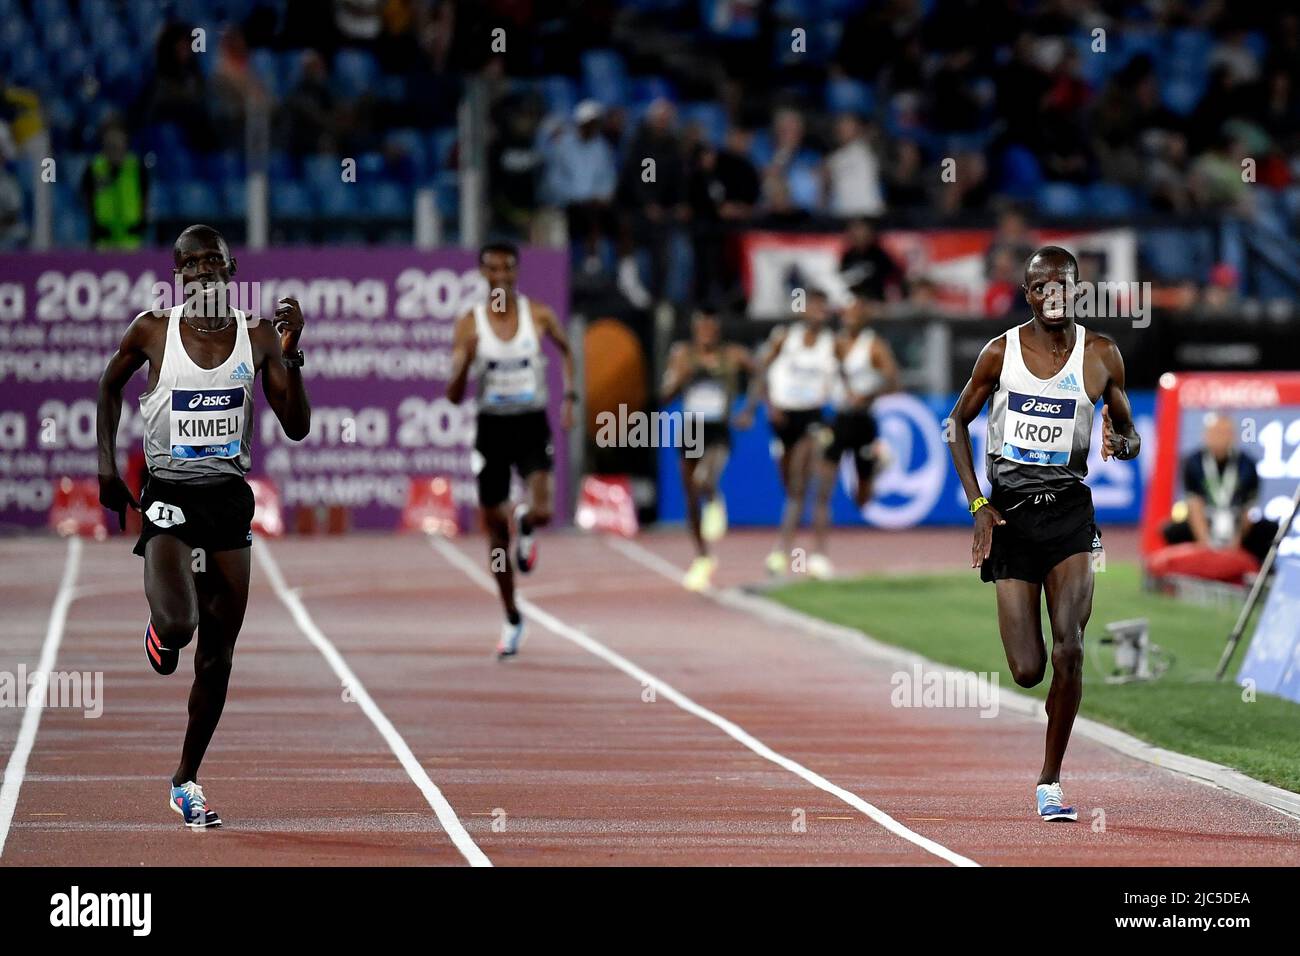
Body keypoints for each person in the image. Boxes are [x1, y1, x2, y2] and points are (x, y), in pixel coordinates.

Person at [96, 224, 311, 828]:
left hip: (227, 504)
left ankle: (185, 780)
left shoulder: (259, 337)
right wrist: (106, 469)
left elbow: (295, 425)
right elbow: (108, 388)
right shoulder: (152, 330)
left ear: (231, 267)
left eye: (210, 261)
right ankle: (161, 630)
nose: (200, 272)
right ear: (178, 277)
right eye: (187, 265)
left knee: (217, 657)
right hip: (167, 494)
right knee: (178, 626)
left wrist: (291, 355)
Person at [946, 246, 1141, 823]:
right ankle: (1042, 718)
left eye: (1062, 286)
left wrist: (1120, 441)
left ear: (1078, 291)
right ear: (1027, 294)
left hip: (1069, 517)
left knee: (1071, 648)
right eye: (1039, 287)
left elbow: (1130, 438)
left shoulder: (1102, 355)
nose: (1050, 296)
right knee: (1029, 669)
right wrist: (978, 503)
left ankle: (1050, 780)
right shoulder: (999, 353)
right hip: (1009, 516)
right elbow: (955, 422)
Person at [447, 241, 575, 659]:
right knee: (495, 535)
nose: (500, 276)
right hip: (492, 431)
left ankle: (527, 522)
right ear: (483, 275)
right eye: (492, 269)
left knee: (540, 509)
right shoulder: (470, 324)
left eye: (507, 269)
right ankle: (512, 616)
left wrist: (570, 396)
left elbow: (568, 349)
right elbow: (451, 396)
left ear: (517, 272)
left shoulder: (538, 315)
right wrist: (465, 365)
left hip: (531, 422)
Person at [660, 307, 757, 591]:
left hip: (718, 429)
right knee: (690, 497)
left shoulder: (733, 355)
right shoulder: (682, 355)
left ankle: (715, 500)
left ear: (718, 330)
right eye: (701, 328)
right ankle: (703, 557)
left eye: (711, 328)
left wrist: (749, 410)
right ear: (694, 329)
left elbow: (760, 372)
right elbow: (664, 396)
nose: (706, 334)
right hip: (691, 429)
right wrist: (679, 379)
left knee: (706, 477)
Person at [759, 289, 839, 579]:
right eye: (813, 306)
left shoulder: (832, 344)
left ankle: (812, 555)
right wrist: (767, 405)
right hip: (783, 417)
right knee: (792, 488)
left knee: (805, 478)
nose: (818, 312)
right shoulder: (785, 337)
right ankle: (785, 551)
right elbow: (761, 368)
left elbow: (844, 376)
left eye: (822, 307)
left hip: (812, 416)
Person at [1163, 413, 1278, 562]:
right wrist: (1205, 544)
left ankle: (1254, 571)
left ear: (1233, 436)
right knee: (1172, 530)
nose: (1220, 438)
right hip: (1207, 519)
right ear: (1206, 435)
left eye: (1224, 433)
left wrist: (1236, 543)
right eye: (1215, 433)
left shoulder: (1247, 464)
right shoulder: (1193, 462)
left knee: (1269, 530)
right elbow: (1194, 505)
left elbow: (1248, 511)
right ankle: (1186, 568)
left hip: (1235, 520)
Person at [823, 294, 899, 512]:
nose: (850, 318)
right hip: (839, 417)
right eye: (847, 313)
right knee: (824, 481)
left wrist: (868, 395)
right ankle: (819, 538)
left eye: (856, 313)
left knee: (862, 497)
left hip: (863, 419)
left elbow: (893, 381)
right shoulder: (835, 343)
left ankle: (876, 464)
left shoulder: (874, 346)